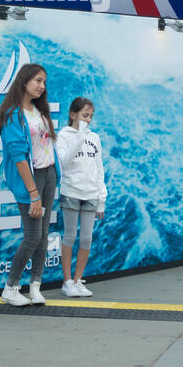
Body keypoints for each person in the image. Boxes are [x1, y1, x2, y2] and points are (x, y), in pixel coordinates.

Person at [0, 63, 61, 306]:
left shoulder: (39, 111)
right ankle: (11, 287)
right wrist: (32, 191)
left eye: (44, 82)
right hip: (31, 181)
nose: (42, 87)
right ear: (24, 81)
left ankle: (35, 286)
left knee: (43, 236)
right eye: (38, 81)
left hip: (49, 175)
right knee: (32, 236)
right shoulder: (13, 115)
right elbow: (19, 156)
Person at [55, 97, 108, 296]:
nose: (88, 120)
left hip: (91, 194)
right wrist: (79, 135)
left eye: (91, 116)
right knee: (70, 236)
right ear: (73, 114)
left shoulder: (95, 138)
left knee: (86, 238)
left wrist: (101, 199)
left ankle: (78, 280)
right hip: (71, 192)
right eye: (85, 115)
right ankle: (67, 281)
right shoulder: (64, 135)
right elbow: (64, 163)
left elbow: (99, 169)